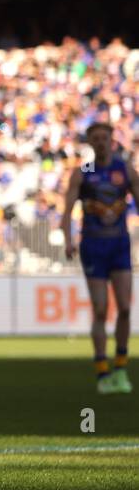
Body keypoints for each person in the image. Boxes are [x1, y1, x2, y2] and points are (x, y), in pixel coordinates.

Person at [62, 121, 136, 395]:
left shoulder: (125, 170)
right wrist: (69, 239)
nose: (102, 142)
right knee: (102, 309)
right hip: (93, 245)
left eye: (105, 137)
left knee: (126, 308)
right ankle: (103, 372)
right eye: (97, 138)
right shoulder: (83, 173)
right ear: (91, 143)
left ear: (112, 140)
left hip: (119, 245)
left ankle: (120, 368)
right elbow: (67, 210)